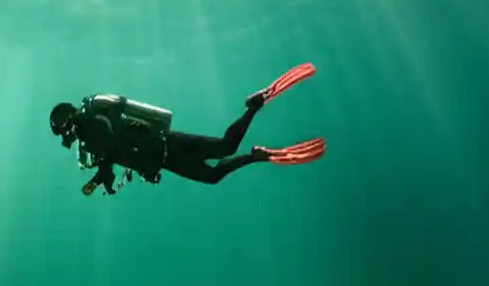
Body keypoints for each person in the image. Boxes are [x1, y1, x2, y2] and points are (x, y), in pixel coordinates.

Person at [49, 63, 326, 195]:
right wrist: (104, 177)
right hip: (166, 146)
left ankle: (255, 152)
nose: (66, 139)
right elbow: (111, 154)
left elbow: (111, 152)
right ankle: (253, 113)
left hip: (167, 153)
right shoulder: (94, 128)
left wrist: (104, 178)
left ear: (67, 123)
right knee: (224, 148)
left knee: (214, 171)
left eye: (63, 133)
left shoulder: (91, 130)